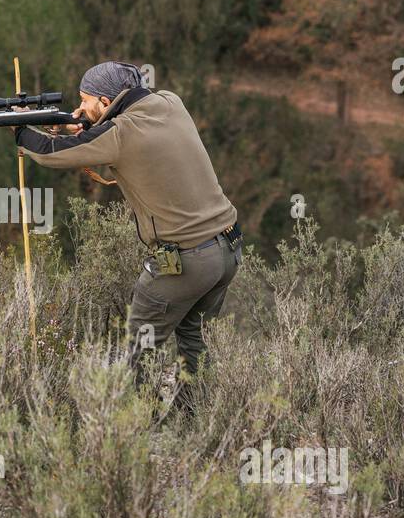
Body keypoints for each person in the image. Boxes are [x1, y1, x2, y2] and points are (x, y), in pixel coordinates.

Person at [14, 61, 241, 416]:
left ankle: (135, 428)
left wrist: (19, 130)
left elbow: (48, 152)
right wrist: (86, 122)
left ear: (105, 101)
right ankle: (193, 419)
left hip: (185, 263)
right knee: (193, 339)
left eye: (85, 99)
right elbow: (106, 131)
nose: (80, 107)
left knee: (140, 348)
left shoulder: (122, 133)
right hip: (226, 249)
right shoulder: (170, 102)